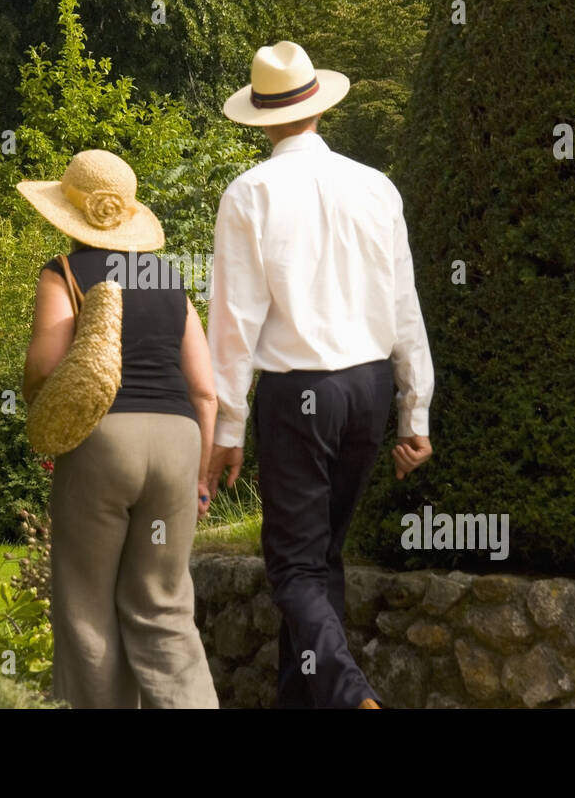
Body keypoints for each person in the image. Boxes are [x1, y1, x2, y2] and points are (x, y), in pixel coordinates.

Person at [205, 41, 436, 709]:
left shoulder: (249, 194)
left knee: (295, 566)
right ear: (317, 105)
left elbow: (234, 323)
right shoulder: (375, 185)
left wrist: (227, 425)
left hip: (297, 394)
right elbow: (403, 305)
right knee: (320, 564)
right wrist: (414, 412)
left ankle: (351, 697)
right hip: (369, 389)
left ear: (262, 116)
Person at [18, 148, 219, 709]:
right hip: (178, 443)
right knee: (164, 606)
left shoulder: (63, 272)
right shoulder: (170, 279)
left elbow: (45, 364)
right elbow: (205, 388)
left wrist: (44, 406)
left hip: (102, 442)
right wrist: (199, 478)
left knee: (88, 609)